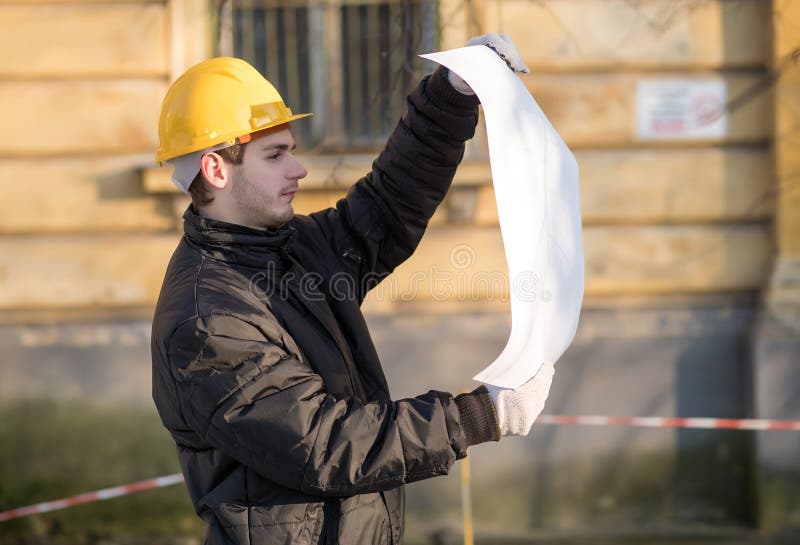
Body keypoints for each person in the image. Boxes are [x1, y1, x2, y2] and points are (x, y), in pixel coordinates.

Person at [151, 34, 555, 545]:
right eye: (275, 155)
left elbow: (387, 209)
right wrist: (478, 416)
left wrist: (451, 95)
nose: (298, 170)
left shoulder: (291, 248)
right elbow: (328, 444)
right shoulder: (207, 319)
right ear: (215, 169)